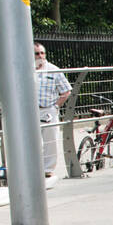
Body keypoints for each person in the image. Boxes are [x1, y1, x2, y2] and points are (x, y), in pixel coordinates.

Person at [34, 43, 71, 179]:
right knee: (31, 140)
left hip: (48, 109)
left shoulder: (53, 70)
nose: (40, 56)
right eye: (37, 53)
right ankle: (33, 168)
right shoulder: (25, 68)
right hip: (30, 111)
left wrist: (55, 107)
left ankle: (48, 169)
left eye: (42, 53)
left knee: (51, 141)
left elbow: (66, 91)